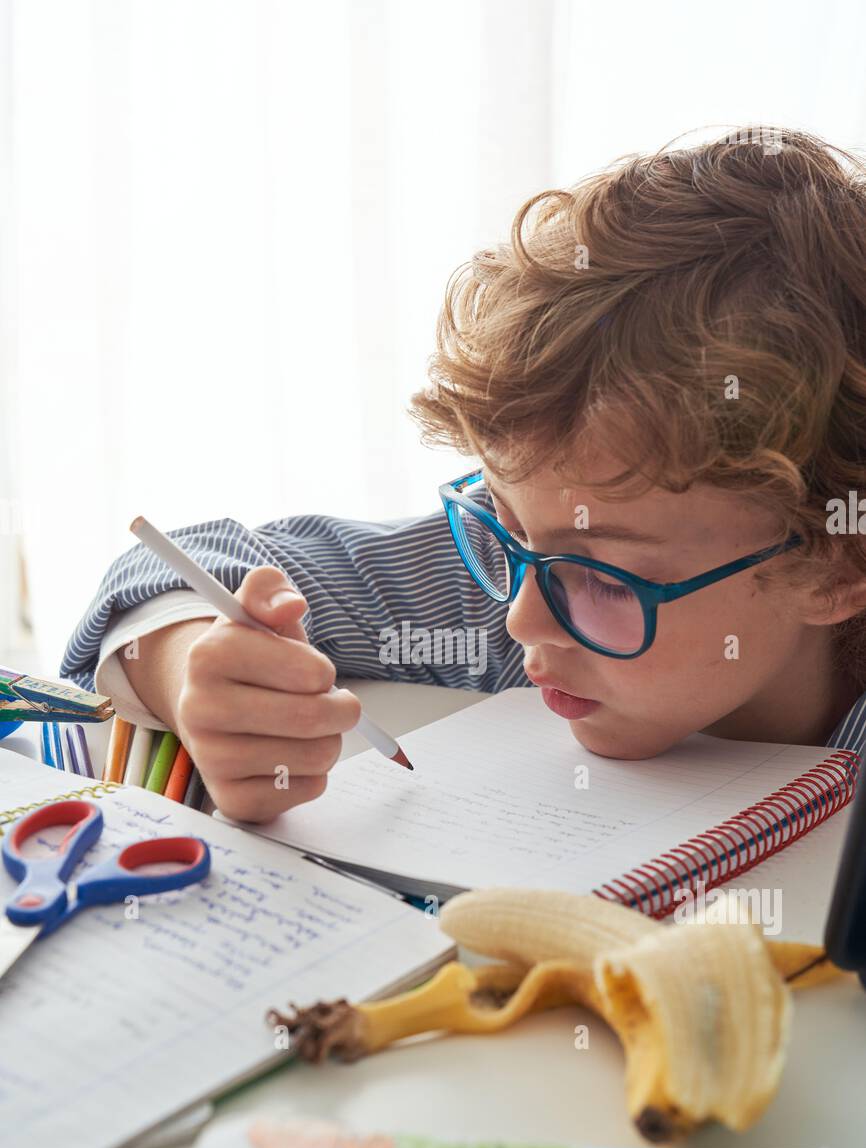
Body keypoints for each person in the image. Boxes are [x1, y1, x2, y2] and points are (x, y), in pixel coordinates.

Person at [62, 127, 866, 822]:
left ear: (833, 565)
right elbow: (175, 563)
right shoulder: (494, 597)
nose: (522, 623)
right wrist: (195, 672)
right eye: (503, 526)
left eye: (608, 582)